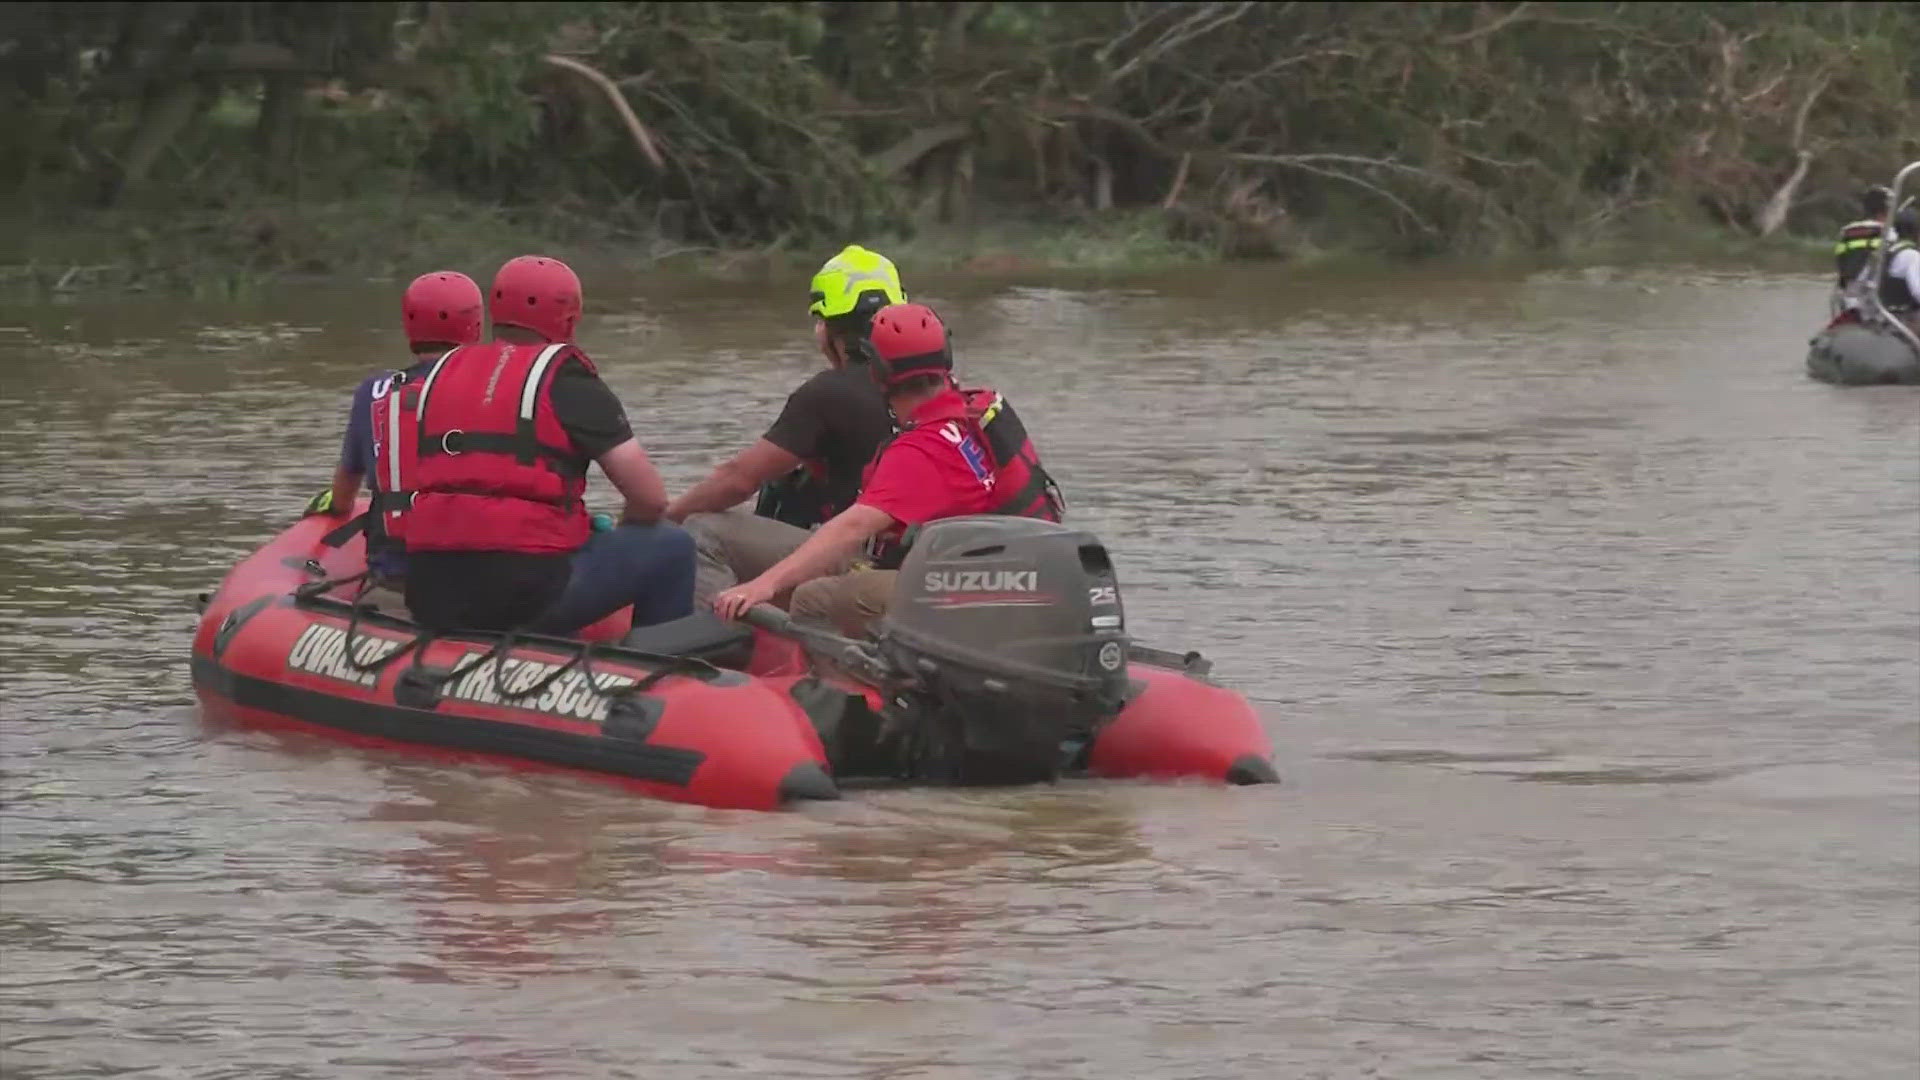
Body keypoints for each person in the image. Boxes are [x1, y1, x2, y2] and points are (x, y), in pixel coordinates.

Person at [712, 303, 1063, 637]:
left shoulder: (920, 450)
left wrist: (763, 585)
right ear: (945, 361)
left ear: (877, 374)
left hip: (962, 592)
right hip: (1000, 577)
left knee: (812, 598)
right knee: (840, 570)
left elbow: (853, 527)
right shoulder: (978, 408)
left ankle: (841, 693)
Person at [402, 255, 696, 635]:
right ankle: (661, 672)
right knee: (670, 544)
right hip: (522, 597)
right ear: (570, 319)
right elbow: (651, 500)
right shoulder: (567, 376)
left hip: (431, 594)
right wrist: (624, 530)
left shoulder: (443, 370)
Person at [667, 245, 904, 606]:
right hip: (907, 562)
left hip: (863, 563)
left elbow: (737, 480)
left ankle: (716, 644)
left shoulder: (827, 392)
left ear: (826, 329)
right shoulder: (922, 384)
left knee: (700, 530)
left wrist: (667, 517)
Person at [316, 271, 484, 584]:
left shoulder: (373, 390)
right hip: (475, 568)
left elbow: (345, 490)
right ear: (474, 325)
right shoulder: (494, 388)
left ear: (410, 325)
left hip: (393, 568)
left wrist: (331, 507)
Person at [1881, 209, 1920, 334]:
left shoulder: (1886, 251)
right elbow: (1917, 292)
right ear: (1915, 231)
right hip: (1904, 317)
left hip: (1884, 313)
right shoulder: (1912, 255)